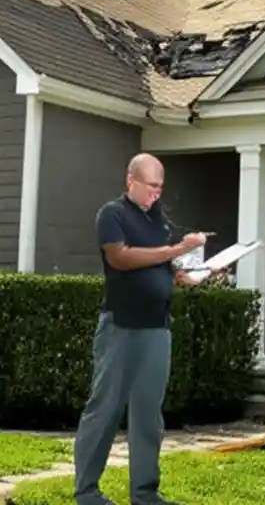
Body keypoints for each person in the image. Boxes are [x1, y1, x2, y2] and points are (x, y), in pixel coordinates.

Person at [72, 152, 210, 505]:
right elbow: (121, 258)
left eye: (160, 187)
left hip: (157, 328)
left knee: (149, 414)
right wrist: (178, 248)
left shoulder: (160, 223)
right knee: (104, 409)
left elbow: (166, 268)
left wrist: (190, 276)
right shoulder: (112, 215)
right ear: (130, 181)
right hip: (121, 325)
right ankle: (87, 492)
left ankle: (145, 495)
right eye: (150, 186)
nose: (155, 194)